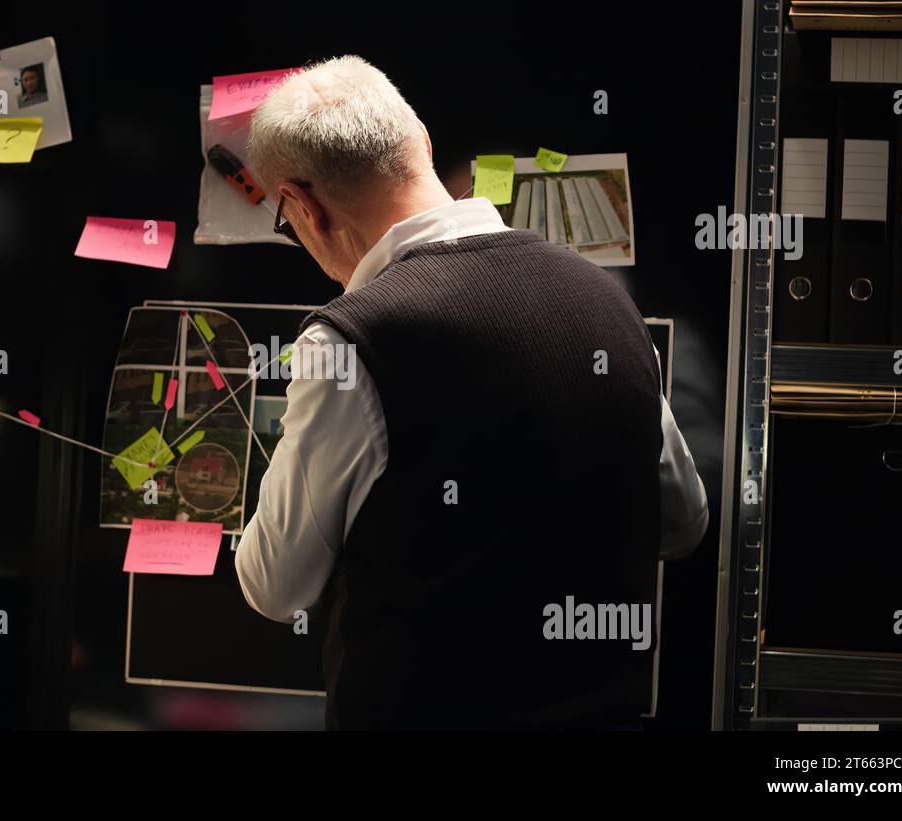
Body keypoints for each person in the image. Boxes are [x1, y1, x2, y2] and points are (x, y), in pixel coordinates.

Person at [234, 56, 708, 730]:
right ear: (422, 142)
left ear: (304, 207)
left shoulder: (350, 340)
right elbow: (684, 521)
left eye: (288, 222)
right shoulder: (604, 297)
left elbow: (274, 586)